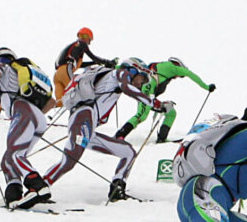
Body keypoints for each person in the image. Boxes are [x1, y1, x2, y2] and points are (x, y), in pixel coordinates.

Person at [41, 57, 165, 202]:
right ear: (133, 69)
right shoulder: (119, 73)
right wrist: (155, 103)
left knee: (128, 152)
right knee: (70, 160)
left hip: (87, 124)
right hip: (83, 118)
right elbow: (126, 88)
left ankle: (117, 190)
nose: (141, 83)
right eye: (141, 78)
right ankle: (39, 188)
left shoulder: (114, 84)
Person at [0, 48, 54, 207]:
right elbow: (52, 102)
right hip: (37, 117)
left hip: (22, 110)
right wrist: (33, 116)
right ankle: (14, 196)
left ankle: (38, 187)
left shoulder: (2, 64)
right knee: (8, 160)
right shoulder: (21, 73)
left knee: (14, 155)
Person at [115, 57, 216, 144]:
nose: (177, 77)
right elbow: (191, 74)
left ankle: (162, 138)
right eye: (179, 76)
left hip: (150, 92)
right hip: (148, 88)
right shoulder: (173, 67)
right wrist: (206, 87)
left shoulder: (164, 68)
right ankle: (120, 135)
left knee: (171, 112)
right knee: (142, 115)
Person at [51, 28, 113, 111]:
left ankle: (54, 120)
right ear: (87, 37)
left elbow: (80, 65)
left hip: (57, 75)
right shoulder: (81, 43)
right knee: (75, 92)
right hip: (66, 70)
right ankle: (81, 114)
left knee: (60, 102)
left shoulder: (73, 47)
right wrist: (106, 62)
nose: (89, 43)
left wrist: (94, 63)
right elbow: (92, 56)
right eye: (89, 40)